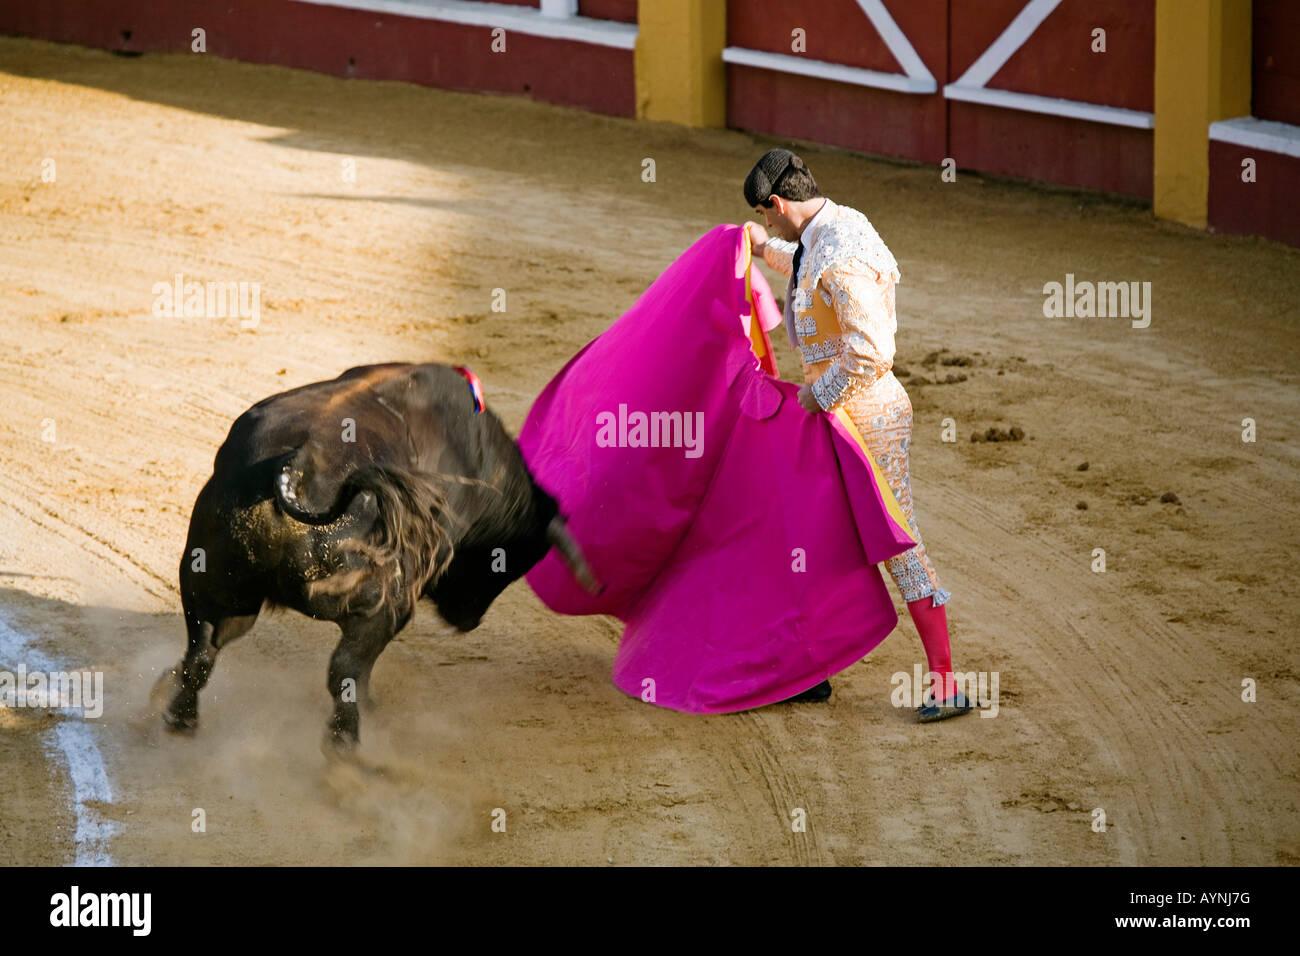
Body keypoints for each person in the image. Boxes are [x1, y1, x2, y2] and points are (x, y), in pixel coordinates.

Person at [744, 148, 972, 722]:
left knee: (898, 540)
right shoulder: (835, 226)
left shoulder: (841, 250)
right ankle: (811, 671)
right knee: (815, 534)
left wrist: (814, 397)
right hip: (844, 417)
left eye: (766, 217)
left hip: (865, 418)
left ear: (777, 202)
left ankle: (945, 681)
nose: (770, 224)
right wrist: (761, 247)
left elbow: (872, 351)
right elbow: (802, 261)